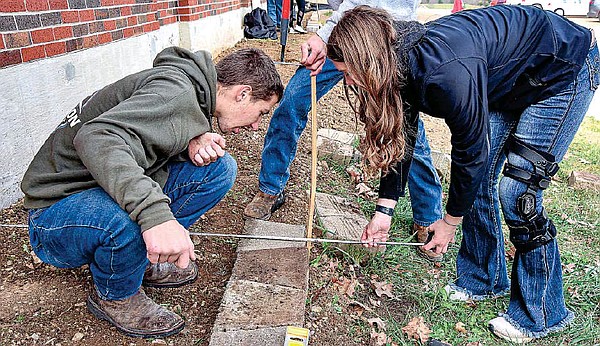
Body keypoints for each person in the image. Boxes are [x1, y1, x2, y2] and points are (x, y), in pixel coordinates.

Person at [326, 5, 597, 343]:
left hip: (561, 67)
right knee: (479, 182)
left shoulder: (442, 74)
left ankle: (542, 314)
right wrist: (384, 211)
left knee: (518, 193)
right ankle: (484, 279)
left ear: (369, 60)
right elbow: (402, 139)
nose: (348, 82)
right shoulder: (399, 63)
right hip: (511, 76)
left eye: (349, 72)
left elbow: (471, 151)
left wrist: (449, 221)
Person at [21, 46, 283, 338]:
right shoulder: (174, 94)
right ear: (242, 93)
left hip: (93, 190)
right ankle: (116, 294)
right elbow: (96, 137)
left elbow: (141, 143)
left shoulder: (188, 90)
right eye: (261, 112)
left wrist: (186, 143)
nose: (257, 125)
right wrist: (155, 216)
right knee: (138, 215)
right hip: (55, 213)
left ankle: (140, 259)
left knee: (218, 170)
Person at [244, 0, 446, 262]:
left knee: (404, 129)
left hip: (382, 42)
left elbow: (368, 4)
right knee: (292, 101)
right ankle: (270, 188)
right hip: (340, 38)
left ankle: (428, 218)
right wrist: (327, 35)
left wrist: (323, 33)